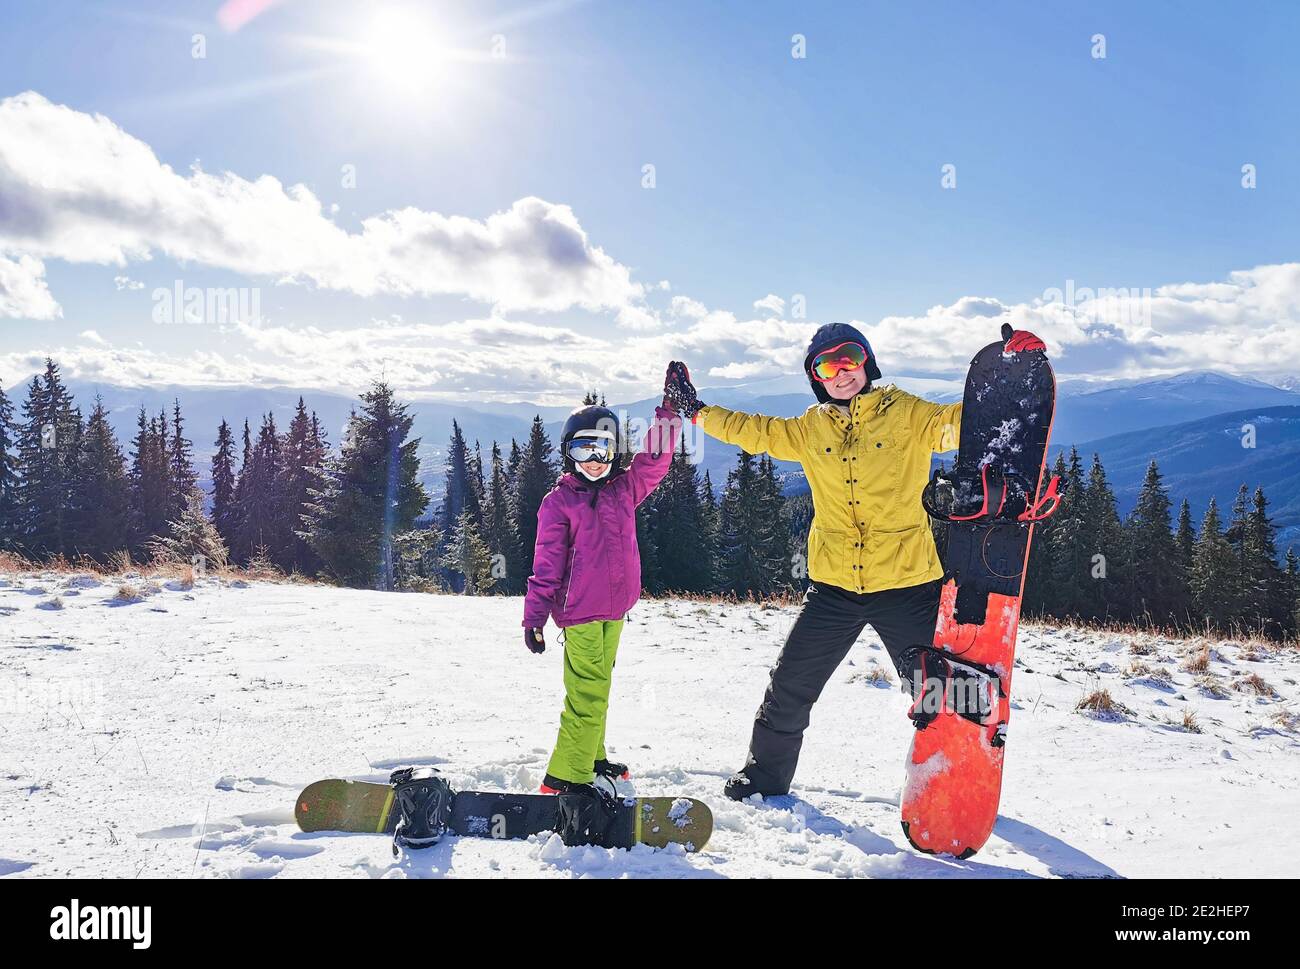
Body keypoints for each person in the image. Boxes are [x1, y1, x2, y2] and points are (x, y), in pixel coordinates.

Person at [662, 323, 1045, 800]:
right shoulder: (809, 428)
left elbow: (958, 424)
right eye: (826, 365)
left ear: (867, 362)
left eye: (849, 358)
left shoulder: (905, 412)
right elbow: (753, 431)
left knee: (940, 693)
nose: (840, 372)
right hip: (833, 590)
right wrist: (695, 412)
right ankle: (763, 779)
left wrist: (1012, 379)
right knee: (789, 688)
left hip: (907, 585)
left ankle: (960, 787)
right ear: (816, 377)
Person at [523, 372, 683, 795]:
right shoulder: (559, 502)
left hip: (616, 610)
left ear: (615, 452)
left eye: (603, 447)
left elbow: (654, 461)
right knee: (587, 696)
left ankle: (590, 759)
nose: (594, 458)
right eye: (583, 447)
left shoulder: (623, 490)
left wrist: (669, 413)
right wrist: (534, 617)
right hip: (580, 615)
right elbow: (546, 565)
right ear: (567, 452)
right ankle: (564, 779)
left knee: (599, 689)